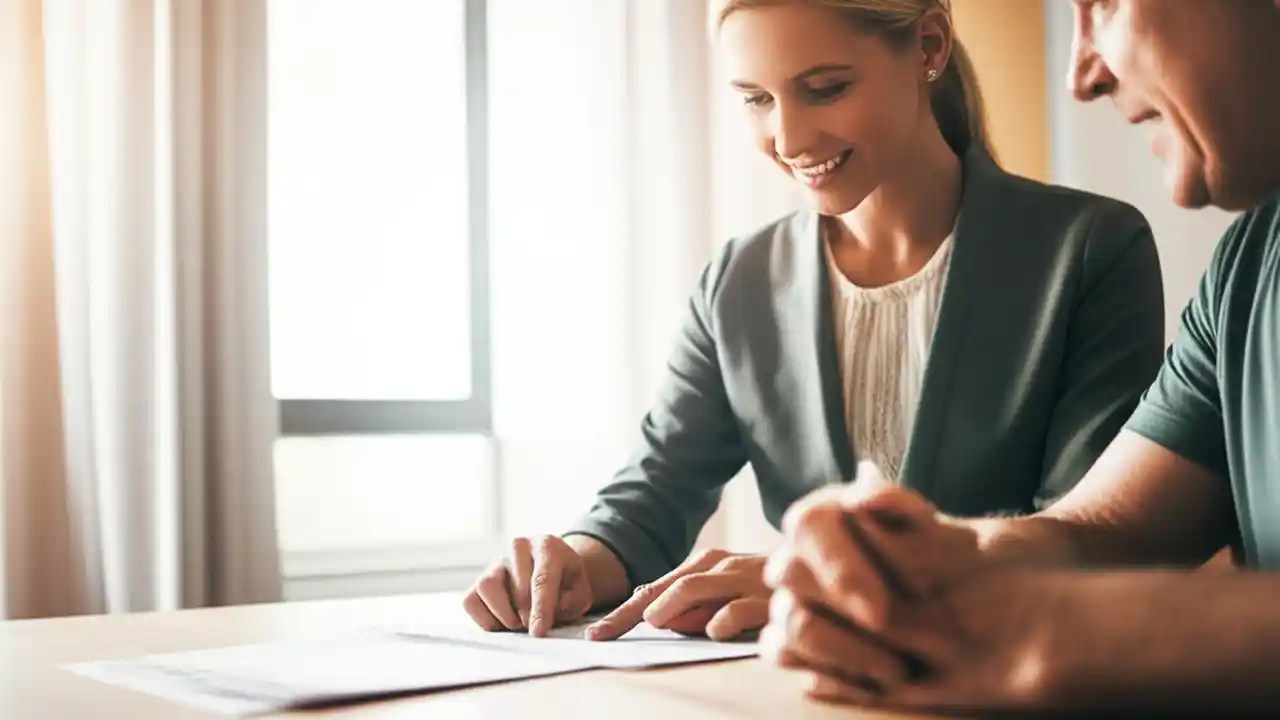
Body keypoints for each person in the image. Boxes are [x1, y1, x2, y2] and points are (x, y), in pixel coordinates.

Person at [462, 0, 1165, 643]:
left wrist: (816, 580)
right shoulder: (737, 283)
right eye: (755, 99)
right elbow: (656, 491)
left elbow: (1091, 535)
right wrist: (576, 563)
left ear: (928, 46)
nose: (788, 137)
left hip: (1011, 683)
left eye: (826, 88)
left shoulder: (1090, 250)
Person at [763, 0, 1280, 712]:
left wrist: (1051, 632)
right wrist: (927, 572)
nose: (1081, 74)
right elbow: (1106, 529)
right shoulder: (1248, 266)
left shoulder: (1091, 244)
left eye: (1104, 5)